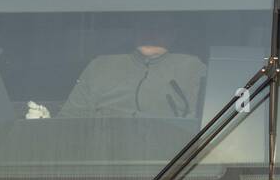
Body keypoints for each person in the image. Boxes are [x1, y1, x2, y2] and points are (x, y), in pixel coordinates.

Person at [59, 21, 206, 119]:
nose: (150, 33)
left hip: (174, 161)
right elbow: (69, 121)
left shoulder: (193, 68)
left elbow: (201, 125)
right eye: (144, 26)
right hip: (99, 155)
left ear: (174, 33)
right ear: (134, 30)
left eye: (160, 27)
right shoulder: (100, 66)